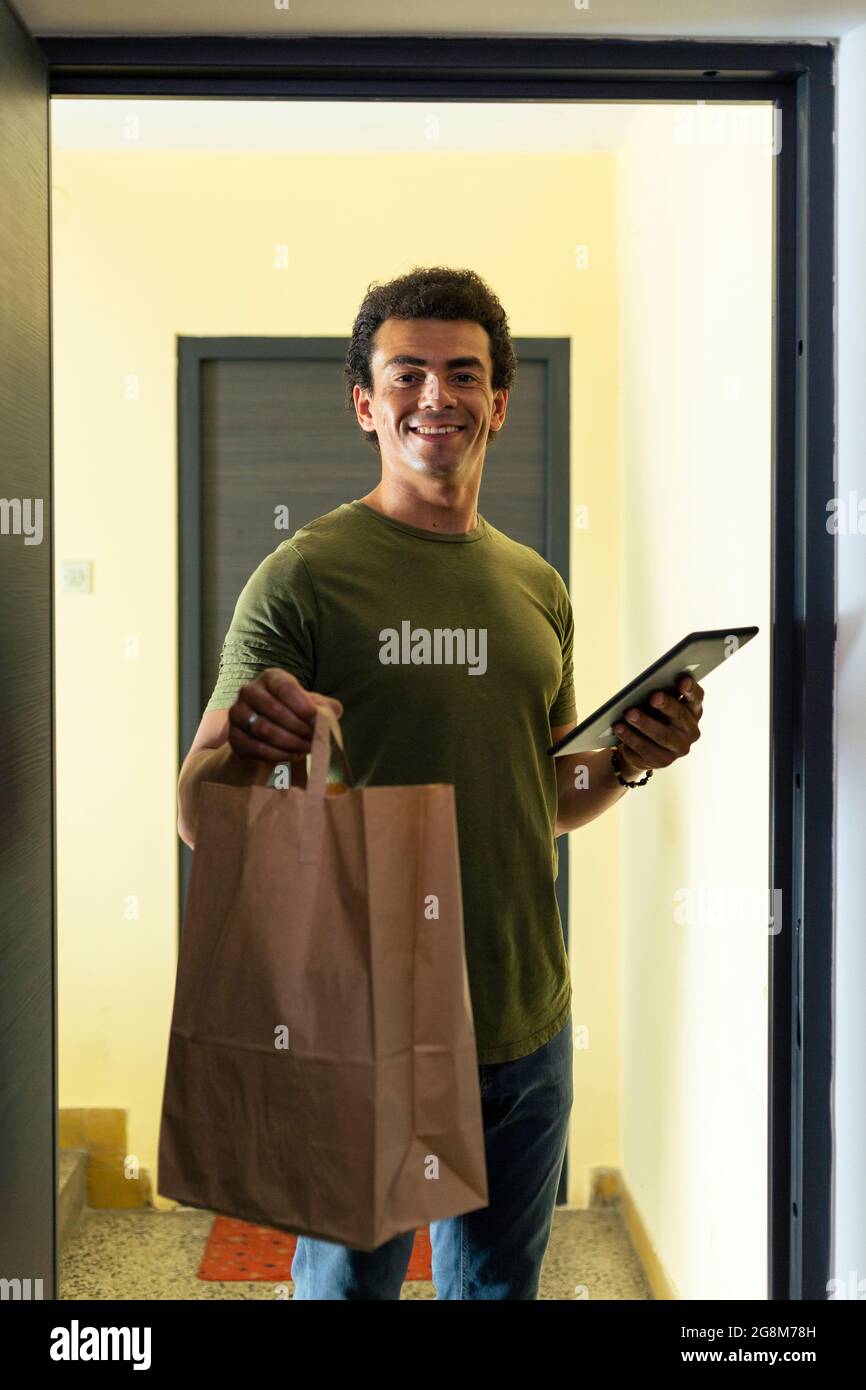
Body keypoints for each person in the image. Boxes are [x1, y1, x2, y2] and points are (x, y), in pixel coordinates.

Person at [176, 266, 703, 1299]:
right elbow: (201, 813)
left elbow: (543, 789)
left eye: (462, 373)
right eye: (405, 373)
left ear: (497, 402)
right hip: (363, 1026)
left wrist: (631, 756)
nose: (435, 395)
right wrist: (246, 746)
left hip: (525, 1018)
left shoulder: (532, 585)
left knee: (498, 1290)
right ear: (365, 404)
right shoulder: (303, 577)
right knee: (346, 1291)